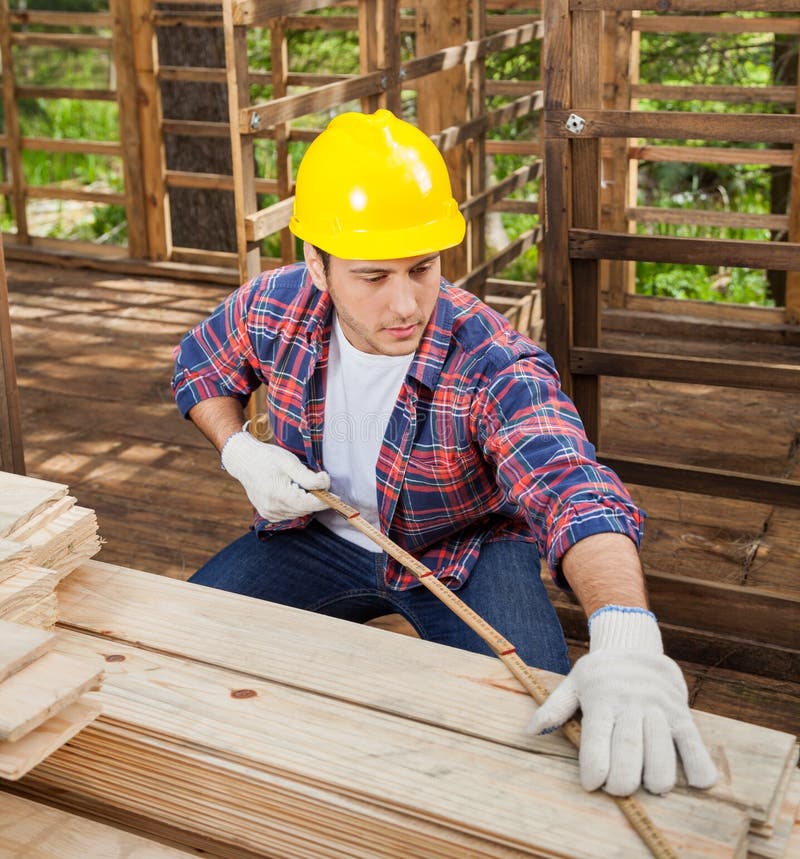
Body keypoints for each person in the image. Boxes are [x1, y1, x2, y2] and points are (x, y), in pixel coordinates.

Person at [171, 108, 717, 798]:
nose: (407, 303)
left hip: (466, 549)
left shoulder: (492, 358)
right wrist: (239, 449)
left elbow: (572, 484)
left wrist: (625, 629)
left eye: (422, 268)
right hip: (316, 535)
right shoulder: (273, 306)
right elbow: (199, 366)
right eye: (374, 277)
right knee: (178, 641)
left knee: (533, 734)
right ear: (316, 263)